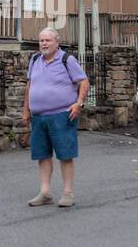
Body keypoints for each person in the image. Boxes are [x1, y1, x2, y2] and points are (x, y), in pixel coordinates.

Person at [23, 27, 90, 208]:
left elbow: (84, 81)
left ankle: (68, 193)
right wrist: (26, 110)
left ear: (56, 43)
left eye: (48, 40)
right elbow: (30, 85)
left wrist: (79, 103)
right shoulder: (35, 59)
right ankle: (45, 192)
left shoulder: (67, 60)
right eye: (41, 40)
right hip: (39, 117)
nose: (44, 43)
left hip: (62, 115)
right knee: (42, 155)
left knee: (65, 154)